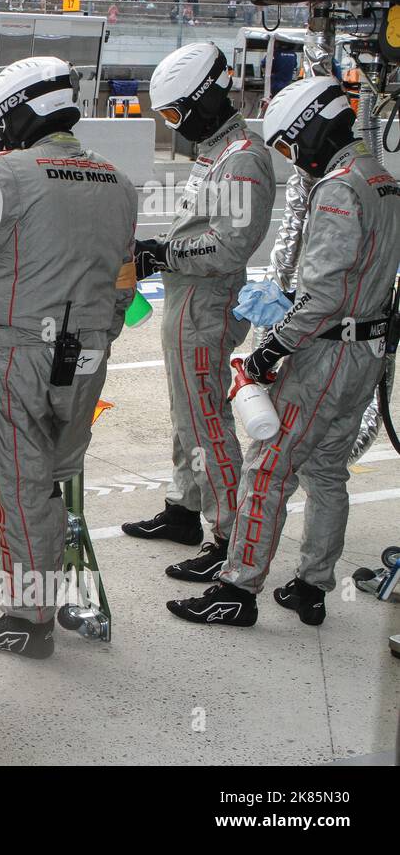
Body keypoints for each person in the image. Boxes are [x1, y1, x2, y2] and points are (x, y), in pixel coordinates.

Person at [168, 77, 400, 628]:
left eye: (293, 147)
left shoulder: (341, 188)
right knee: (326, 470)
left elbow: (322, 295)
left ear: (315, 126)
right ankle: (312, 584)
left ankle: (238, 588)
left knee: (267, 468)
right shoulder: (382, 179)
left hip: (326, 355)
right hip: (366, 352)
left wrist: (269, 351)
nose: (296, 161)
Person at [0, 57, 138, 659]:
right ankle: (38, 589)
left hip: (18, 354)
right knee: (45, 481)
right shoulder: (118, 181)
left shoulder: (3, 174)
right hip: (87, 355)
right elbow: (126, 281)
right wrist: (97, 336)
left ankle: (29, 618)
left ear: (18, 113)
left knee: (11, 482)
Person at [123, 44, 276, 582]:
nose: (173, 126)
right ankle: (185, 507)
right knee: (185, 412)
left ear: (206, 99)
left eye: (174, 114)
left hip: (207, 304)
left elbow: (228, 247)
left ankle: (229, 534)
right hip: (186, 298)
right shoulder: (214, 153)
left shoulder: (241, 159)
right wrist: (158, 247)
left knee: (206, 422)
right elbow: (197, 231)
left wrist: (161, 254)